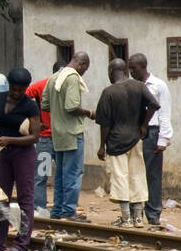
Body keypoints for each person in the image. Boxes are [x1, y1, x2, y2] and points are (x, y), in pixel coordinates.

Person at [0, 67, 41, 251]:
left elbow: (35, 137)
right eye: (14, 89)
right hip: (4, 153)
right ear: (9, 86)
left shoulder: (30, 106)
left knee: (25, 198)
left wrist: (9, 140)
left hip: (24, 154)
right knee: (1, 197)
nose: (17, 93)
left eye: (21, 90)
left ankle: (21, 243)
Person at [95, 57, 160, 228]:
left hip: (116, 142)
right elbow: (154, 104)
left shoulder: (108, 92)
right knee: (137, 176)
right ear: (126, 71)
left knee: (120, 178)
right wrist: (144, 126)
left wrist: (102, 146)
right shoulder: (139, 86)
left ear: (111, 73)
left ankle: (126, 219)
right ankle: (138, 218)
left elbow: (105, 124)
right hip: (136, 138)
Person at [42, 53, 93, 222]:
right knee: (73, 173)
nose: (85, 72)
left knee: (61, 174)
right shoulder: (72, 78)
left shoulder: (54, 77)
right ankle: (69, 211)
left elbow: (45, 104)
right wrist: (88, 112)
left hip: (57, 133)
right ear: (82, 63)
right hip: (72, 133)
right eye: (86, 68)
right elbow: (71, 106)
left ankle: (57, 209)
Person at [128, 53, 173, 229]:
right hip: (134, 132)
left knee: (152, 175)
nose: (131, 72)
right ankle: (134, 212)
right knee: (134, 173)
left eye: (134, 68)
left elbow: (165, 112)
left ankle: (153, 213)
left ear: (143, 67)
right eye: (130, 68)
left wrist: (164, 138)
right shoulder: (131, 86)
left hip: (152, 132)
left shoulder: (158, 86)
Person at [24, 61, 64, 218]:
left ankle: (55, 209)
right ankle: (40, 207)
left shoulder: (67, 85)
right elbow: (24, 96)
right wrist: (34, 120)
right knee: (42, 174)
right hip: (47, 138)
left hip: (60, 139)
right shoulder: (42, 85)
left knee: (59, 174)